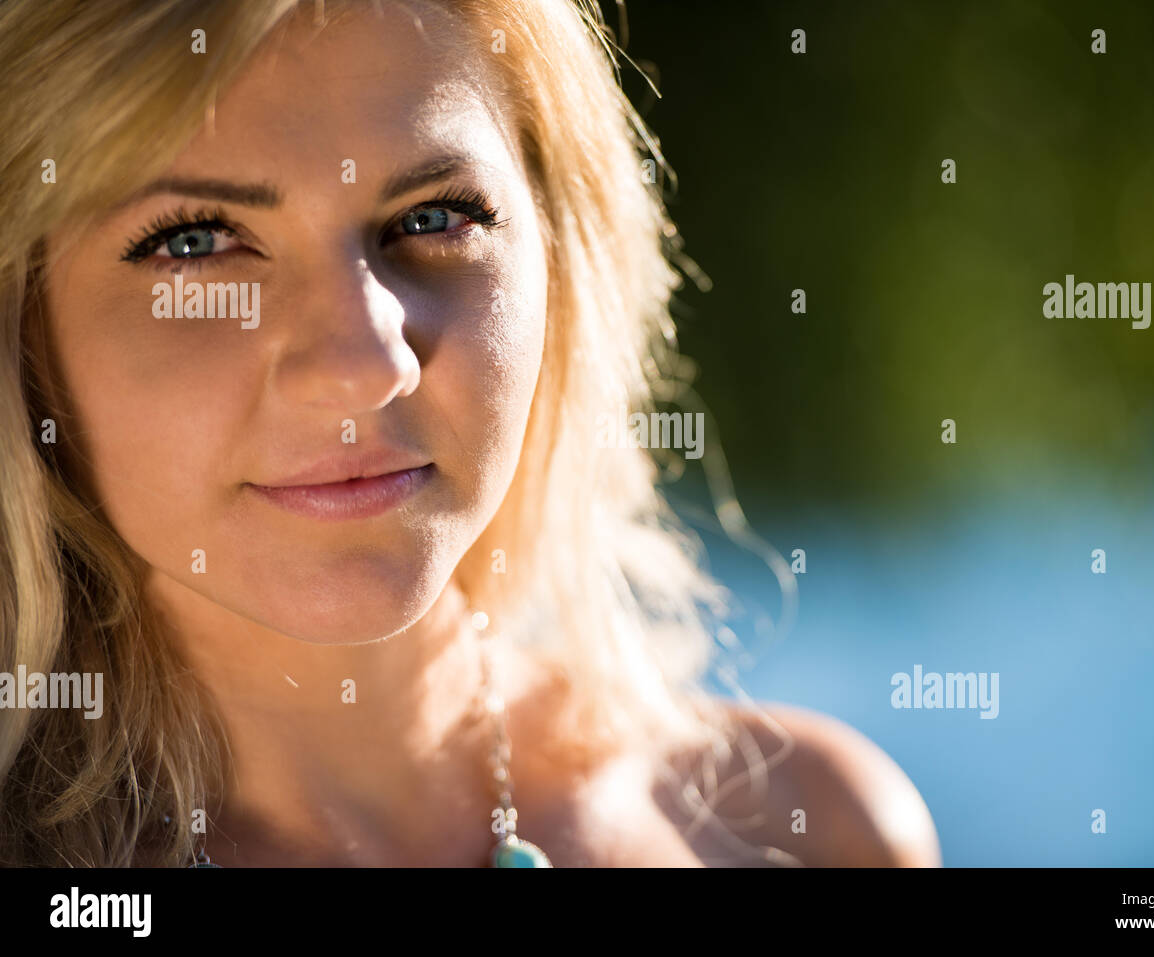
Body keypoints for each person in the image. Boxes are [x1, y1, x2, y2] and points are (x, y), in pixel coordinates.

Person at [0, 0, 940, 867]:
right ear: (24, 318)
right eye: (196, 241)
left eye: (434, 216)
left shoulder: (811, 829)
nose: (367, 361)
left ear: (561, 252)